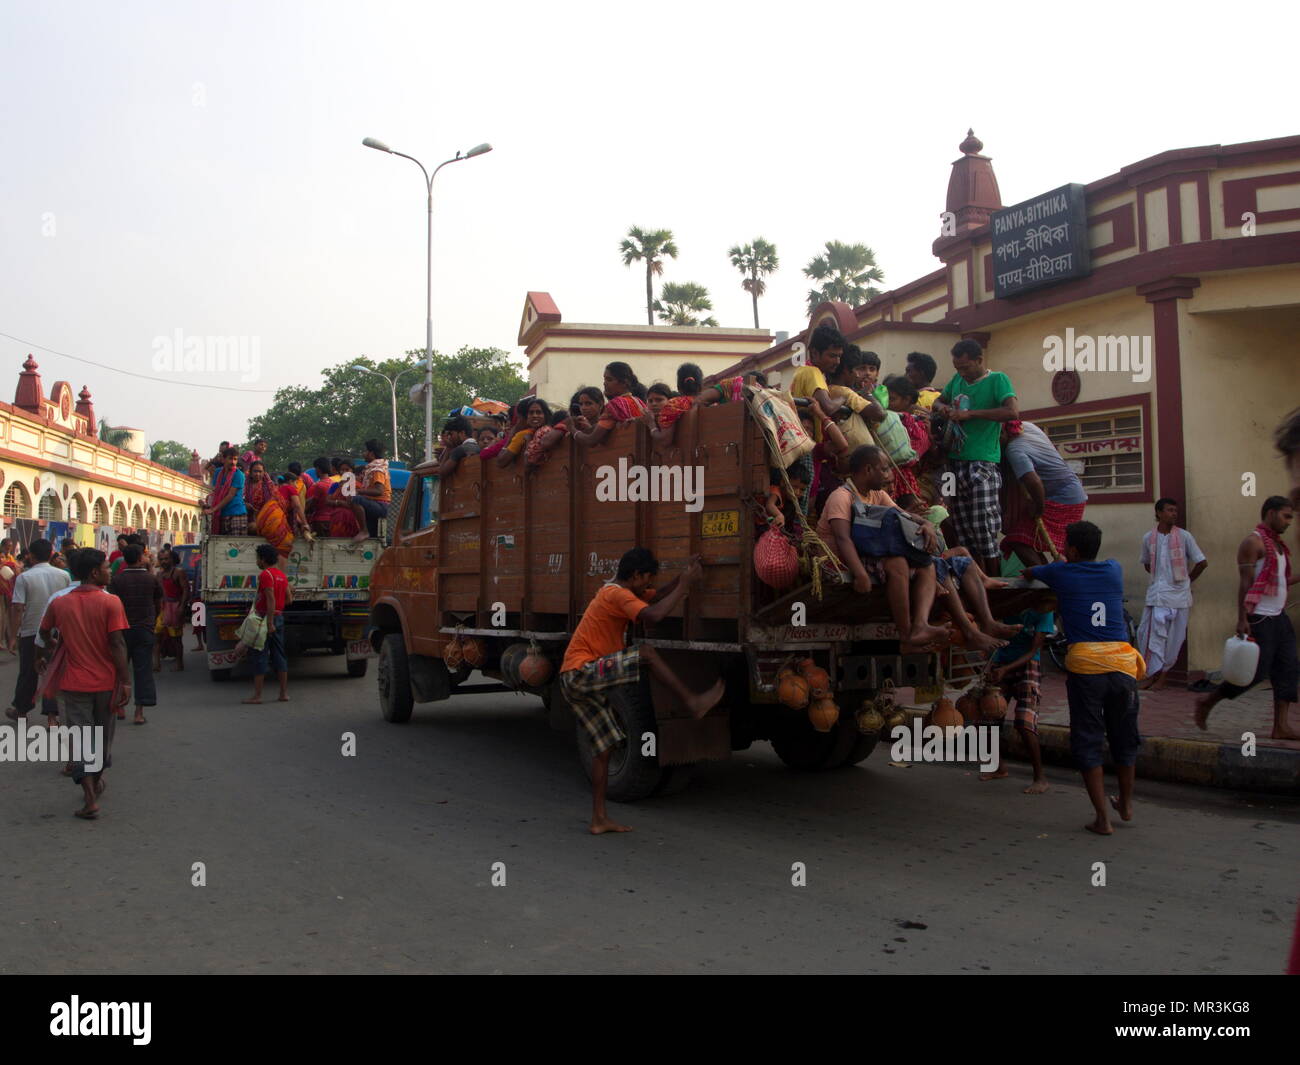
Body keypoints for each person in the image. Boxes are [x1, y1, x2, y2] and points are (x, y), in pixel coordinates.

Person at [559, 548, 724, 834]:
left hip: (574, 678)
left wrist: (682, 577)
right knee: (646, 652)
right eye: (646, 579)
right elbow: (655, 616)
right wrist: (685, 584)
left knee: (604, 749)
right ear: (635, 575)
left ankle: (599, 818)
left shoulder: (620, 591)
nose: (648, 585)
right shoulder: (616, 595)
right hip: (581, 672)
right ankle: (693, 702)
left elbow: (656, 597)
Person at [1024, 521, 1143, 836]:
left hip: (1087, 666)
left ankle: (1102, 818)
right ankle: (1126, 805)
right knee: (1124, 737)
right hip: (1122, 664)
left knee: (1088, 741)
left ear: (1072, 550)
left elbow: (1029, 574)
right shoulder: (1114, 570)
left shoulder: (1060, 573)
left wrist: (1058, 564)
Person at [817, 445, 950, 653]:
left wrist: (927, 525)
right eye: (885, 468)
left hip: (867, 552)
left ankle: (920, 626)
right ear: (868, 470)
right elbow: (843, 539)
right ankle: (905, 637)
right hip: (842, 558)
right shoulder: (841, 496)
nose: (889, 475)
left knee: (926, 563)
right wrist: (860, 574)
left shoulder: (876, 494)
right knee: (897, 563)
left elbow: (903, 515)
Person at [1194, 496, 1298, 740]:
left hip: (1279, 617)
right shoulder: (1253, 543)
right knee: (1255, 674)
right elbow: (1245, 584)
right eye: (1286, 516)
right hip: (1259, 618)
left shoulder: (1279, 546)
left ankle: (1280, 726)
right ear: (1270, 513)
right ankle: (1208, 701)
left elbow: (1280, 582)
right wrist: (1242, 619)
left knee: (1288, 670)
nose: (1289, 522)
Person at [38, 549, 130, 819]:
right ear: (93, 572)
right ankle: (94, 785)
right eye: (105, 567)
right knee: (102, 742)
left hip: (73, 683)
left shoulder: (60, 603)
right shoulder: (111, 602)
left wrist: (54, 647)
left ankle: (90, 796)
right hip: (106, 683)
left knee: (80, 741)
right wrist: (125, 681)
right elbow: (117, 643)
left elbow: (44, 632)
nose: (109, 570)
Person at [931, 338, 1018, 577]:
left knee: (984, 530)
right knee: (961, 527)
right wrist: (943, 409)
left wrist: (971, 415)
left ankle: (994, 583)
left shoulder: (997, 380)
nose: (962, 373)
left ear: (979, 360)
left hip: (982, 463)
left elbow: (1012, 411)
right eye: (958, 368)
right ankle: (975, 583)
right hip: (953, 464)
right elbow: (939, 400)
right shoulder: (957, 380)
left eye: (966, 367)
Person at [980, 592, 1056, 794]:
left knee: (1024, 722)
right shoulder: (1010, 606)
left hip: (1028, 664)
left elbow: (1033, 651)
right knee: (989, 717)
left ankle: (1040, 776)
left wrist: (1004, 669)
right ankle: (998, 766)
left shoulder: (1045, 612)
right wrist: (991, 664)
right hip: (1002, 661)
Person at [1135, 498, 1207, 690]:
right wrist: (1161, 578)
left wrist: (1187, 581)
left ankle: (1163, 677)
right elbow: (1147, 564)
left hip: (1178, 597)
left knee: (1174, 639)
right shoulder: (1148, 538)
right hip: (1156, 595)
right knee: (1148, 636)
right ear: (1158, 513)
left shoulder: (1184, 537)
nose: (1174, 514)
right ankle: (1151, 674)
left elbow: (1202, 562)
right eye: (1169, 510)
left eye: (1175, 511)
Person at [1000, 420, 1089, 568]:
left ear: (1003, 434)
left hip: (1062, 498)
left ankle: (1044, 577)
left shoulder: (1014, 450)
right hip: (1073, 492)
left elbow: (1034, 482)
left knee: (1017, 538)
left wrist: (1038, 508)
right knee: (1029, 540)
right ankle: (1048, 573)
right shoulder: (1028, 427)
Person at [5, 539, 71, 727]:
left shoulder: (24, 577)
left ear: (30, 556)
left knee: (28, 672)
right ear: (51, 554)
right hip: (56, 631)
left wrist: (12, 637)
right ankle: (52, 717)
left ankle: (21, 711)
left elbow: (18, 608)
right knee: (52, 671)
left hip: (31, 631)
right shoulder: (63, 575)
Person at [108, 543, 161, 725]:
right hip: (144, 629)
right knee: (143, 670)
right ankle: (139, 712)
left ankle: (119, 707)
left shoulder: (116, 580)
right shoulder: (151, 579)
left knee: (119, 669)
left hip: (121, 630)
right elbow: (158, 603)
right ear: (140, 559)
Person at [243, 543, 291, 704]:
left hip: (266, 618)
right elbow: (289, 599)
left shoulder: (265, 575)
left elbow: (270, 600)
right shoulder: (281, 575)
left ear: (263, 560)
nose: (256, 561)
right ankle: (283, 693)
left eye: (257, 558)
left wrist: (269, 623)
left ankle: (257, 696)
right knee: (280, 655)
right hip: (279, 616)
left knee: (260, 655)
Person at [789, 323, 846, 438]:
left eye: (839, 356)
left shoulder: (802, 371)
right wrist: (844, 398)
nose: (837, 361)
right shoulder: (812, 372)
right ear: (814, 353)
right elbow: (829, 407)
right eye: (832, 356)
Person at [572, 363, 649, 447]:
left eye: (609, 380)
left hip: (623, 454)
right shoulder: (638, 401)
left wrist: (571, 428)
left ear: (624, 383)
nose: (604, 383)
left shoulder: (614, 405)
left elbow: (591, 440)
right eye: (604, 379)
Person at [883, 375, 932, 500]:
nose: (886, 403)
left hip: (916, 481)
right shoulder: (887, 420)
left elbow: (912, 458)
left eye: (892, 399)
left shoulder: (919, 424)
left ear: (906, 400)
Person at [154, 547, 189, 673]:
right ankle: (156, 664)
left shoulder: (178, 572)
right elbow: (159, 593)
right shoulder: (159, 575)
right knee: (156, 636)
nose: (164, 561)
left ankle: (180, 664)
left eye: (166, 559)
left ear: (172, 559)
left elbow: (186, 590)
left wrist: (181, 607)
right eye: (161, 559)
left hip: (175, 606)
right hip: (165, 608)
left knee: (176, 639)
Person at [205, 447, 248, 535]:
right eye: (230, 458)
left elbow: (230, 495)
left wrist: (213, 509)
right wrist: (207, 503)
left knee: (235, 546)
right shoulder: (217, 472)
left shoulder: (239, 475)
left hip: (236, 514)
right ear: (223, 459)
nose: (233, 462)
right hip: (221, 513)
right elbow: (216, 491)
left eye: (235, 459)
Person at [497, 398, 550, 468]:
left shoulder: (522, 435)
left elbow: (501, 462)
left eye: (539, 412)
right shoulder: (552, 430)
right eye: (531, 413)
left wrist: (511, 435)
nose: (535, 416)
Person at [0, 538, 18, 653]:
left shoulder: (10, 557)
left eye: (10, 546)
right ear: (2, 546)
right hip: (1, 590)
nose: (9, 549)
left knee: (7, 616)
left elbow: (15, 566)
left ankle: (7, 640)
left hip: (8, 590)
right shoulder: (2, 556)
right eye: (7, 546)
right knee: (2, 616)